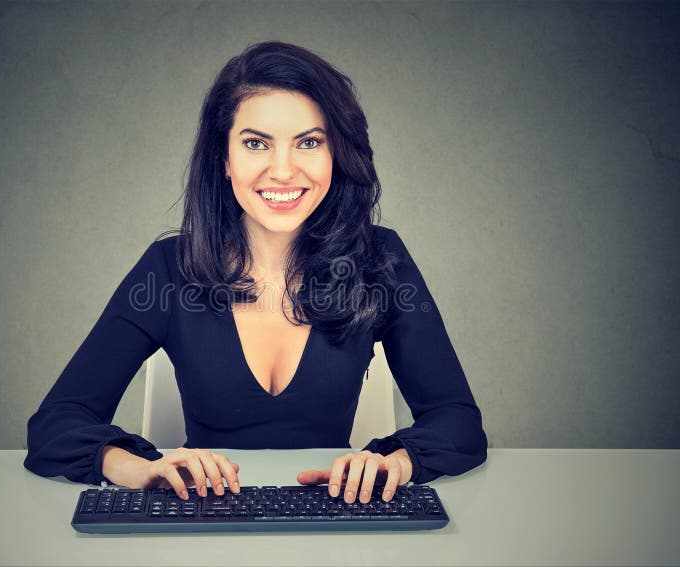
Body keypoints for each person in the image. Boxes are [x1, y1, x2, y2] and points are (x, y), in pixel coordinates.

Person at [24, 41, 487, 506]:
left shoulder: (381, 257)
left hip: (339, 527)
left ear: (336, 155)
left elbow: (457, 421)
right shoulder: (167, 269)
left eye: (309, 142)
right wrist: (140, 470)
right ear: (224, 159)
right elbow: (56, 424)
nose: (282, 171)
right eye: (255, 143)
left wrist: (394, 463)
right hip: (199, 525)